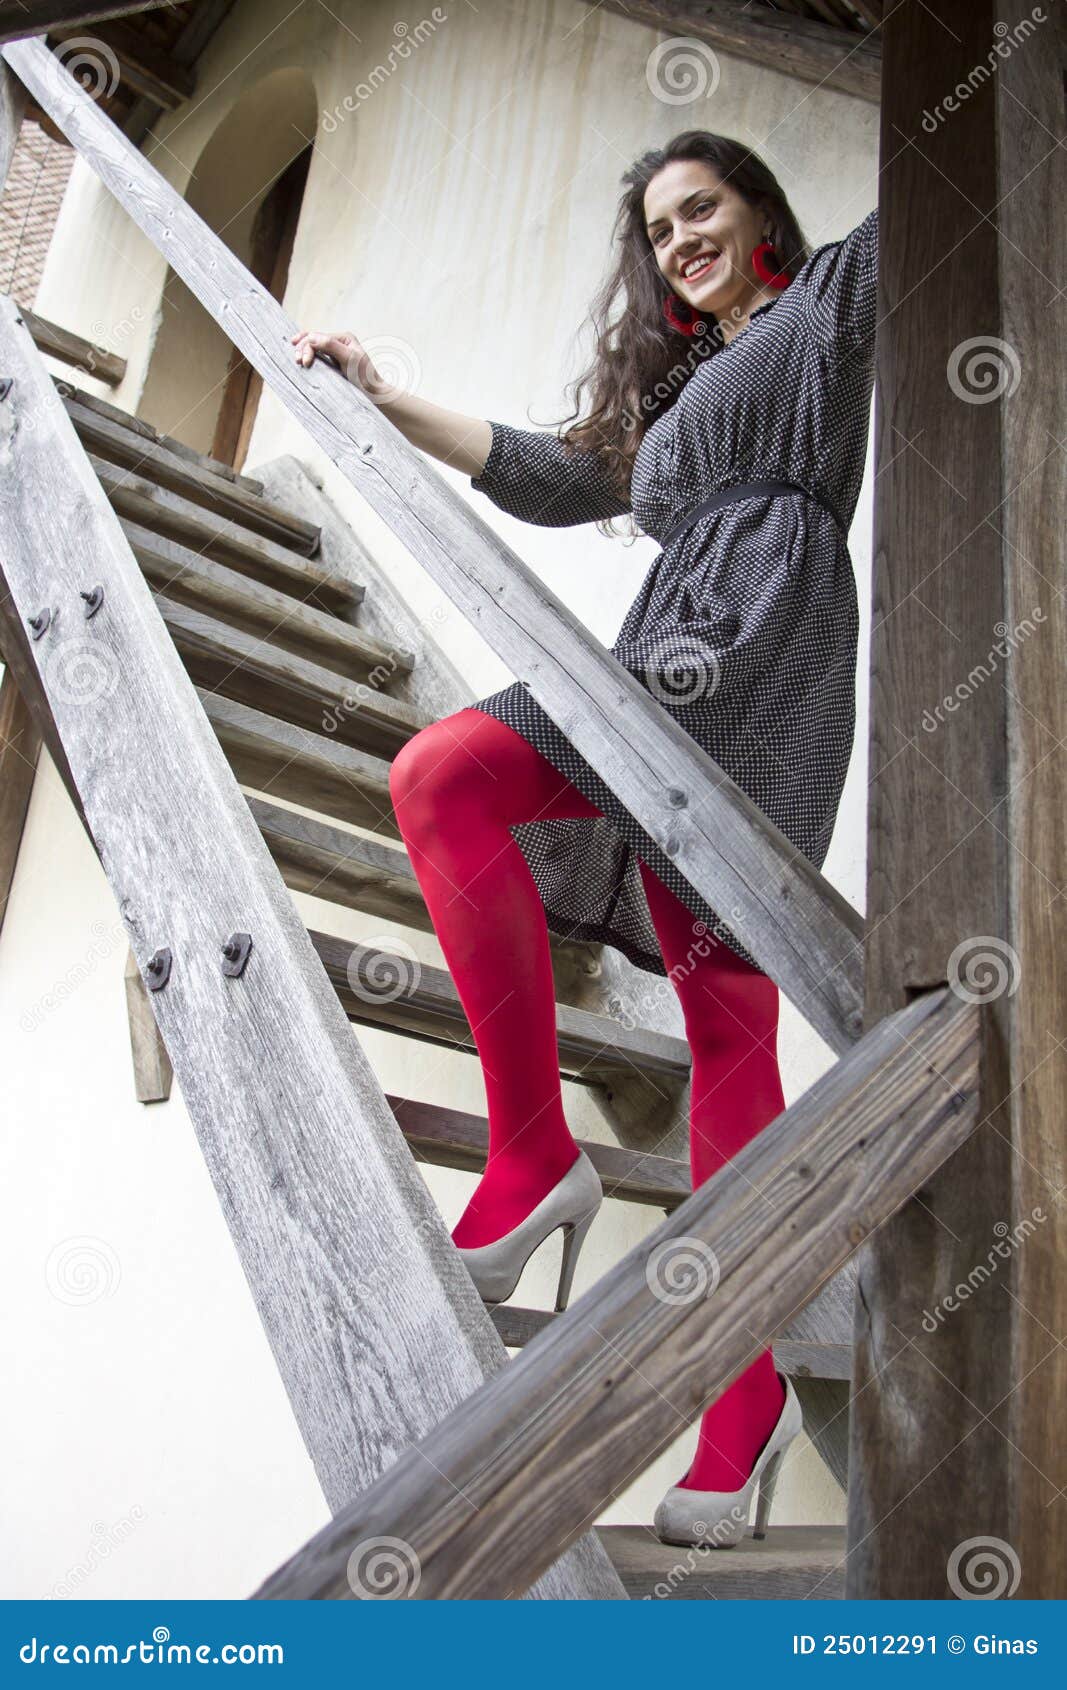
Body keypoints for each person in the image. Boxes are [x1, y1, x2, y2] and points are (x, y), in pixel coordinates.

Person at [292, 129, 877, 1548]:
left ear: (760, 212)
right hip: (674, 621)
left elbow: (963, 174)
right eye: (662, 225)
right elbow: (555, 472)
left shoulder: (830, 303)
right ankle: (737, 1404)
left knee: (453, 781)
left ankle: (550, 1177)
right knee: (711, 1023)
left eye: (705, 206)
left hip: (761, 631)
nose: (682, 237)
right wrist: (386, 390)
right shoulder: (676, 393)